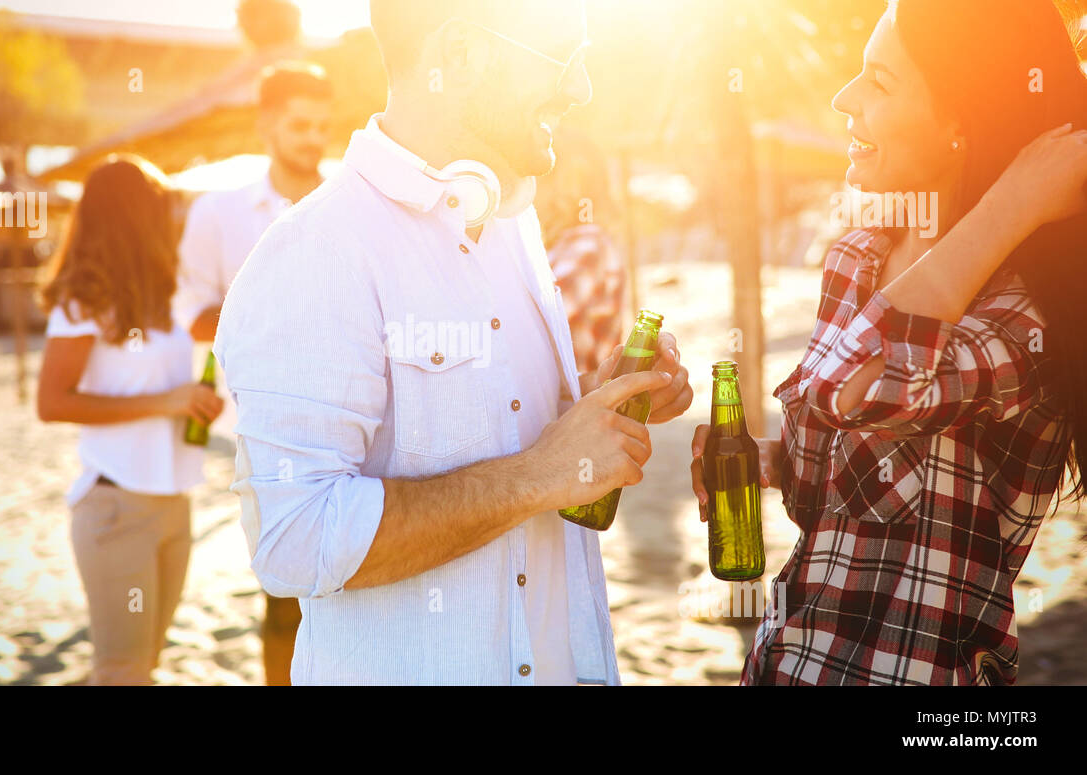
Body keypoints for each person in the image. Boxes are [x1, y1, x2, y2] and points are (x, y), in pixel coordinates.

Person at [217, 0, 693, 685]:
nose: (582, 88)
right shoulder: (315, 251)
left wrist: (602, 404)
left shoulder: (514, 226)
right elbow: (295, 537)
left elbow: (515, 434)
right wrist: (539, 474)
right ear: (463, 55)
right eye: (564, 55)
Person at [690, 0, 1087, 685]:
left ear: (961, 119)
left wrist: (1012, 202)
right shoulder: (856, 260)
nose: (845, 99)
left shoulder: (1024, 315)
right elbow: (847, 481)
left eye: (880, 82)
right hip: (782, 664)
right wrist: (772, 460)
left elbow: (863, 387)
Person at [173, 61, 332, 686]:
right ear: (266, 123)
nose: (313, 138)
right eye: (299, 124)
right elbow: (189, 313)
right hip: (266, 426)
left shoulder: (353, 203)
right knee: (286, 583)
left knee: (356, 582)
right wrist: (269, 310)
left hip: (363, 415)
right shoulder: (218, 213)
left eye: (322, 125)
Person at [36, 156, 224, 686]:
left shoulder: (168, 298)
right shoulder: (82, 300)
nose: (172, 220)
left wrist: (195, 400)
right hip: (116, 508)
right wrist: (168, 401)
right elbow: (51, 403)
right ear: (135, 216)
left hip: (174, 504)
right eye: (160, 208)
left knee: (140, 667)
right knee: (123, 671)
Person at [536, 127, 626, 375]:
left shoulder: (588, 245)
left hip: (578, 409)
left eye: (541, 179)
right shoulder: (556, 247)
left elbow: (538, 325)